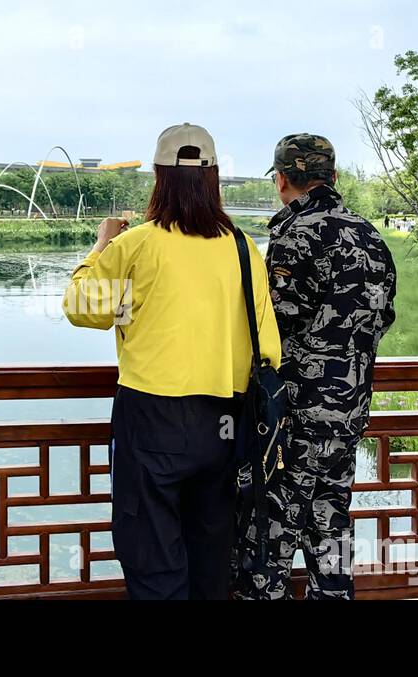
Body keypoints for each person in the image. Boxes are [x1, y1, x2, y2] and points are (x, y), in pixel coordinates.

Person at [64, 123, 281, 600]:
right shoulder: (244, 249)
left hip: (153, 417)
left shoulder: (136, 244)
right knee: (211, 550)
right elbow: (268, 346)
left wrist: (100, 244)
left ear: (160, 179)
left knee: (151, 550)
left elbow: (82, 307)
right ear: (214, 178)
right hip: (224, 422)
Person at [232, 134, 397, 601]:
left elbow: (274, 327)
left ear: (282, 180)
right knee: (332, 521)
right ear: (334, 176)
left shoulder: (294, 233)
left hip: (296, 418)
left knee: (273, 524)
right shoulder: (369, 234)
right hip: (350, 413)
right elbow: (381, 318)